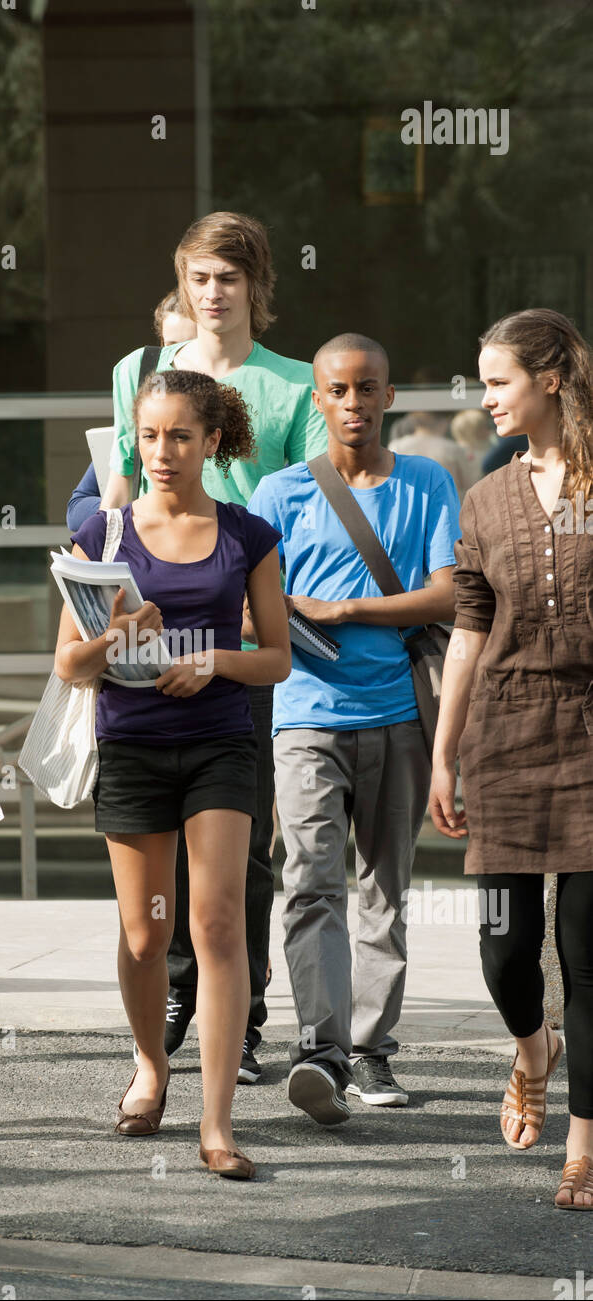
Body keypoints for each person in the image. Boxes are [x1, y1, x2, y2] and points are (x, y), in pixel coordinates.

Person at [101, 211, 327, 1082]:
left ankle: (246, 1009)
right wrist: (97, 585)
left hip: (238, 629)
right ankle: (174, 1006)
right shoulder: (141, 371)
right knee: (153, 864)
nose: (211, 292)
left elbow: (301, 510)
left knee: (239, 843)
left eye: (228, 277)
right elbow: (119, 480)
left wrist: (249, 611)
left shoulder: (295, 384)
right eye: (197, 276)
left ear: (254, 286)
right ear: (182, 281)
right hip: (146, 630)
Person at [57, 369, 290, 1178]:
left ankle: (217, 1122)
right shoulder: (103, 536)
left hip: (221, 745)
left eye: (180, 436)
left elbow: (278, 659)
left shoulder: (247, 534)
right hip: (132, 746)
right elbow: (70, 666)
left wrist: (213, 658)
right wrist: (118, 634)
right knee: (146, 931)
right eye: (149, 435)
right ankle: (151, 1067)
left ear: (212, 441)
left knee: (218, 925)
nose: (162, 451)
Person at [248, 334, 460, 1122]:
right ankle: (320, 1047)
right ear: (317, 399)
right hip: (303, 714)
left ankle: (370, 1050)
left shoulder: (429, 482)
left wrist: (344, 610)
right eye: (337, 390)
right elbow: (250, 605)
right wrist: (287, 619)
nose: (353, 403)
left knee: (383, 889)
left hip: (399, 715)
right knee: (309, 883)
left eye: (366, 388)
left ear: (389, 395)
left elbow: (445, 596)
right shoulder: (277, 494)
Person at [430, 307, 593, 1210]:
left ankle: (583, 1147)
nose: (485, 397)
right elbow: (468, 626)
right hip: (502, 736)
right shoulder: (487, 494)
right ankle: (533, 1049)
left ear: (552, 379)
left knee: (587, 957)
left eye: (498, 381)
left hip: (592, 731)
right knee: (503, 950)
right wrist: (443, 754)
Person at [65, 290, 195, 533]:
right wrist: (139, 508)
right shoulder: (141, 427)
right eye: (170, 347)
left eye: (190, 347)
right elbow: (76, 509)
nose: (179, 361)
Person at [389, 411, 476, 499]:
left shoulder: (397, 447)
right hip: (448, 507)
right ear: (443, 421)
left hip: (408, 508)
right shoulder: (453, 449)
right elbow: (470, 485)